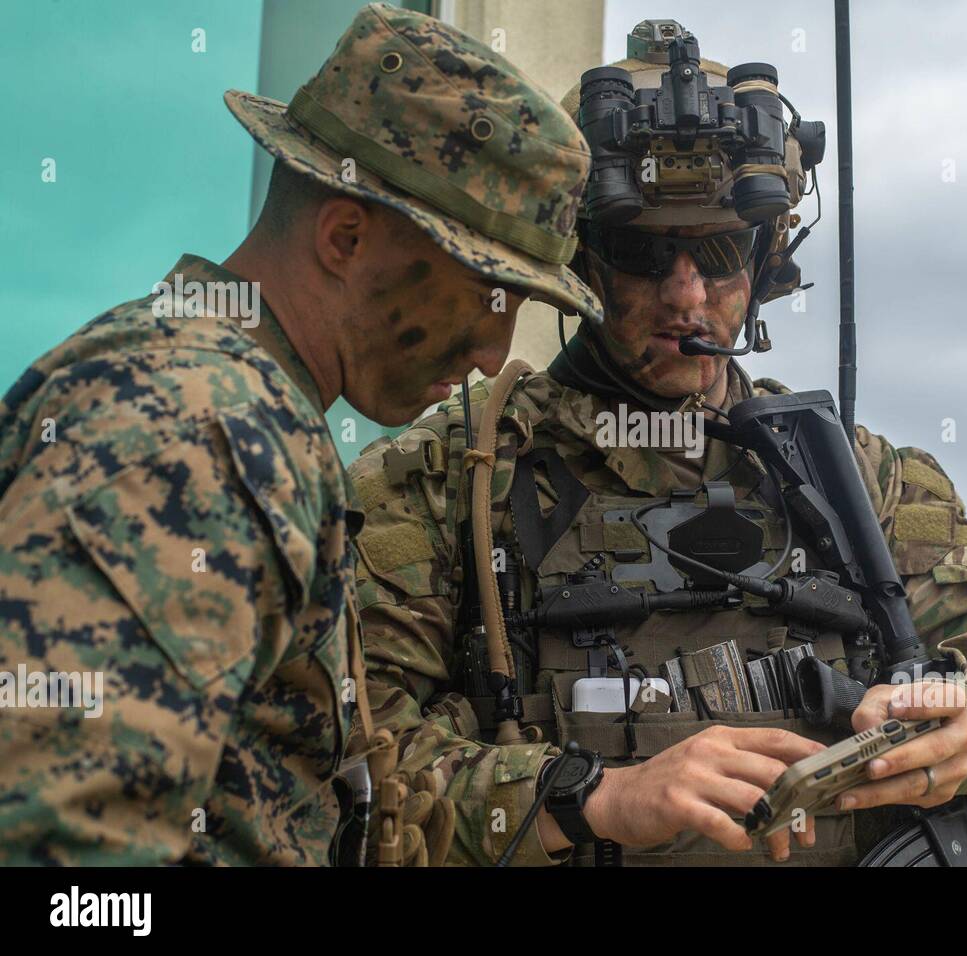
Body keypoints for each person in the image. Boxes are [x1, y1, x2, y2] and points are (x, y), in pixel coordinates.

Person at [348, 19, 967, 867]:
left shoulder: (855, 478)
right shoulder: (451, 482)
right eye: (644, 253)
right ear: (579, 259)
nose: (687, 295)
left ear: (766, 257)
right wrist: (593, 797)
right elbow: (348, 769)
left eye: (717, 251)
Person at [0, 2, 599, 865]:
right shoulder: (208, 428)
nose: (494, 353)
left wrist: (594, 803)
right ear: (346, 236)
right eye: (489, 296)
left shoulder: (232, 407)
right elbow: (60, 848)